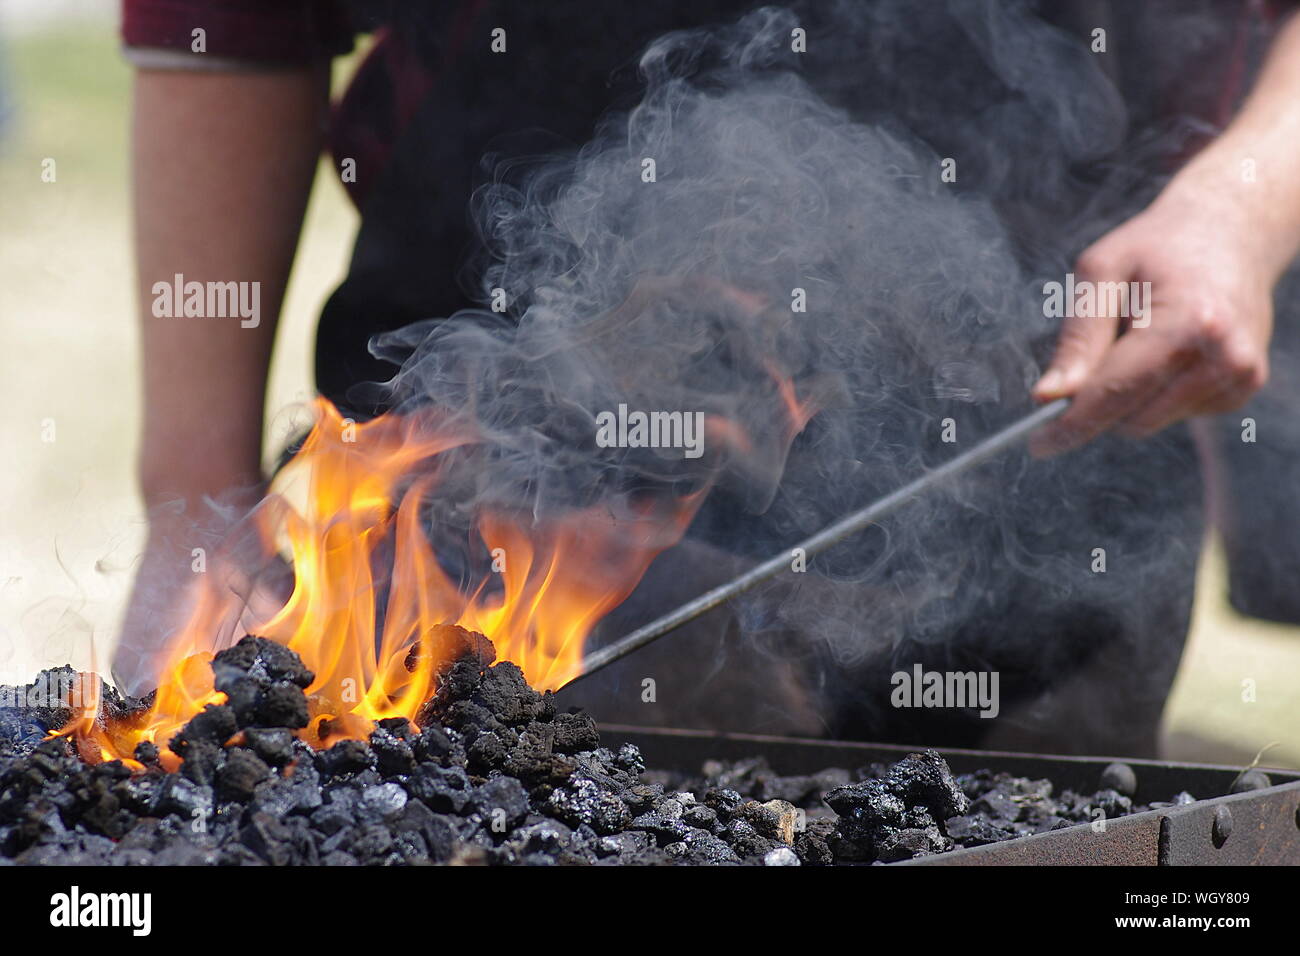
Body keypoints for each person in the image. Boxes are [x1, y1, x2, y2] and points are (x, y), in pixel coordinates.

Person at [115, 0, 1300, 755]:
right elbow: (231, 24)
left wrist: (1245, 202)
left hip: (1036, 453)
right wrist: (190, 492)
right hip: (469, 438)